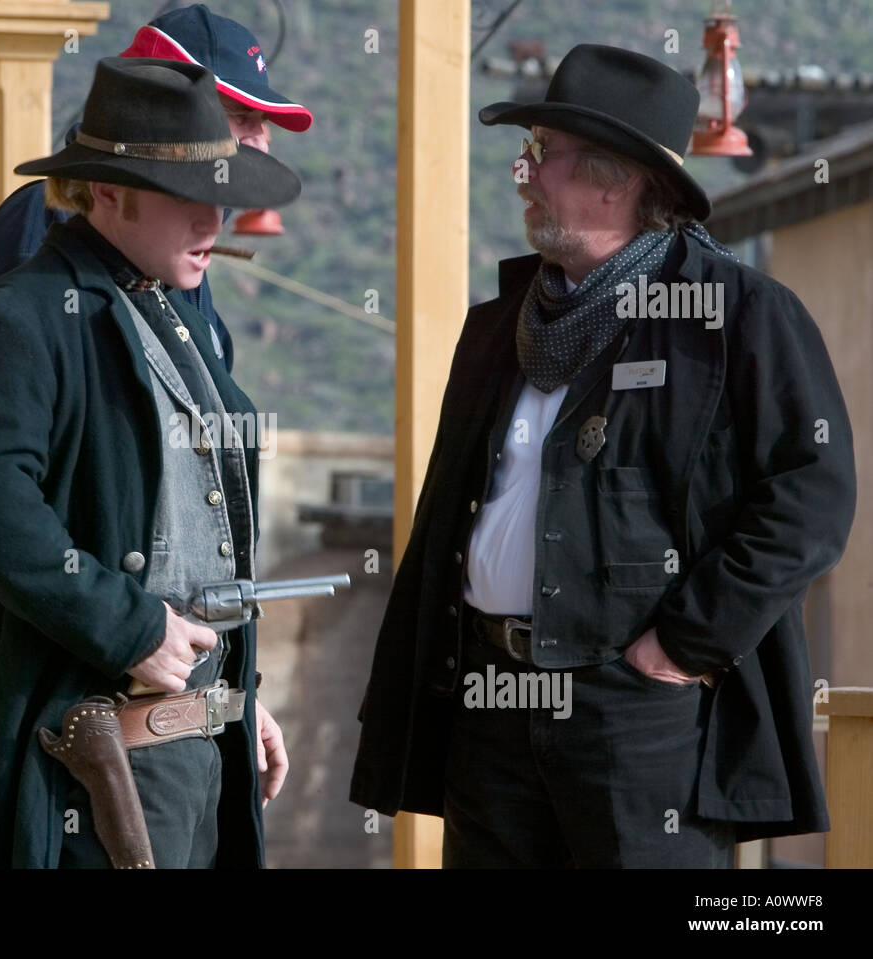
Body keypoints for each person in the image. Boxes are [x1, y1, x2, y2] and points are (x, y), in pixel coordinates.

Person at [350, 44, 856, 867]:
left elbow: (813, 494)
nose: (525, 171)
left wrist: (685, 645)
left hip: (637, 720)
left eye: (544, 154)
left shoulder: (738, 316)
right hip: (492, 705)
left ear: (615, 180)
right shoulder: (501, 323)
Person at [0, 56, 302, 868]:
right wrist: (128, 627)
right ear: (110, 191)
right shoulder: (20, 318)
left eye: (221, 200)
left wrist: (237, 692)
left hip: (199, 752)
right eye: (190, 200)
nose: (215, 222)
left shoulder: (177, 317)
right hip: (93, 768)